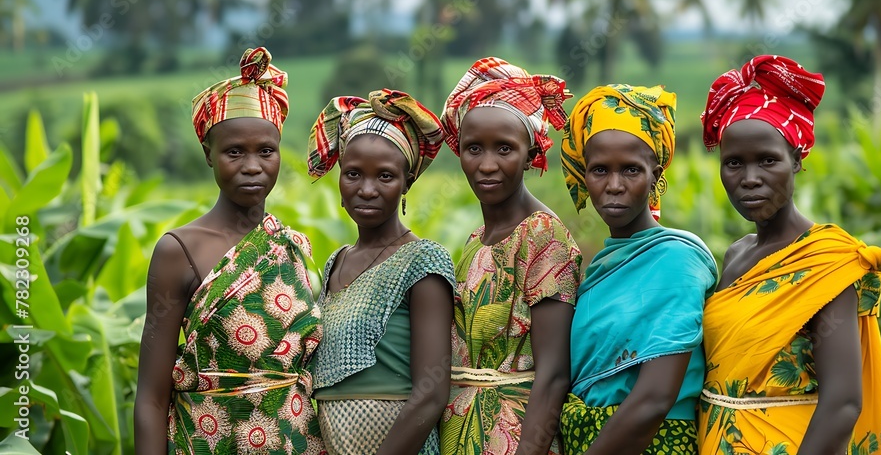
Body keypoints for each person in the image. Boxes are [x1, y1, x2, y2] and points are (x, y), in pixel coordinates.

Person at [697, 55, 881, 454]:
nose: (750, 179)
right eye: (734, 163)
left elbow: (843, 403)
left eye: (768, 160)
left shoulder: (825, 260)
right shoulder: (736, 255)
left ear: (796, 160)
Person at [134, 47, 325, 454]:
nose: (252, 165)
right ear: (209, 155)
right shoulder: (179, 251)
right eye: (234, 152)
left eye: (266, 151)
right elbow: (151, 398)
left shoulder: (290, 247)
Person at [558, 85, 717, 455]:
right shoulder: (599, 268)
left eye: (631, 170)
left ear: (655, 175)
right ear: (584, 176)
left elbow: (654, 400)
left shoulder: (676, 260)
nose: (614, 186)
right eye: (600, 170)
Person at [438, 57, 583, 455]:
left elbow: (554, 374)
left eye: (504, 149)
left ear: (531, 151)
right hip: (461, 433)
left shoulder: (543, 235)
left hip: (514, 438)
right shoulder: (476, 240)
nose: (487, 165)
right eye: (474, 149)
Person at [305, 89, 456, 454]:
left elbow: (431, 393)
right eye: (353, 174)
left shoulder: (423, 260)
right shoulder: (336, 262)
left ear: (407, 182)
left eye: (385, 176)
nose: (367, 189)